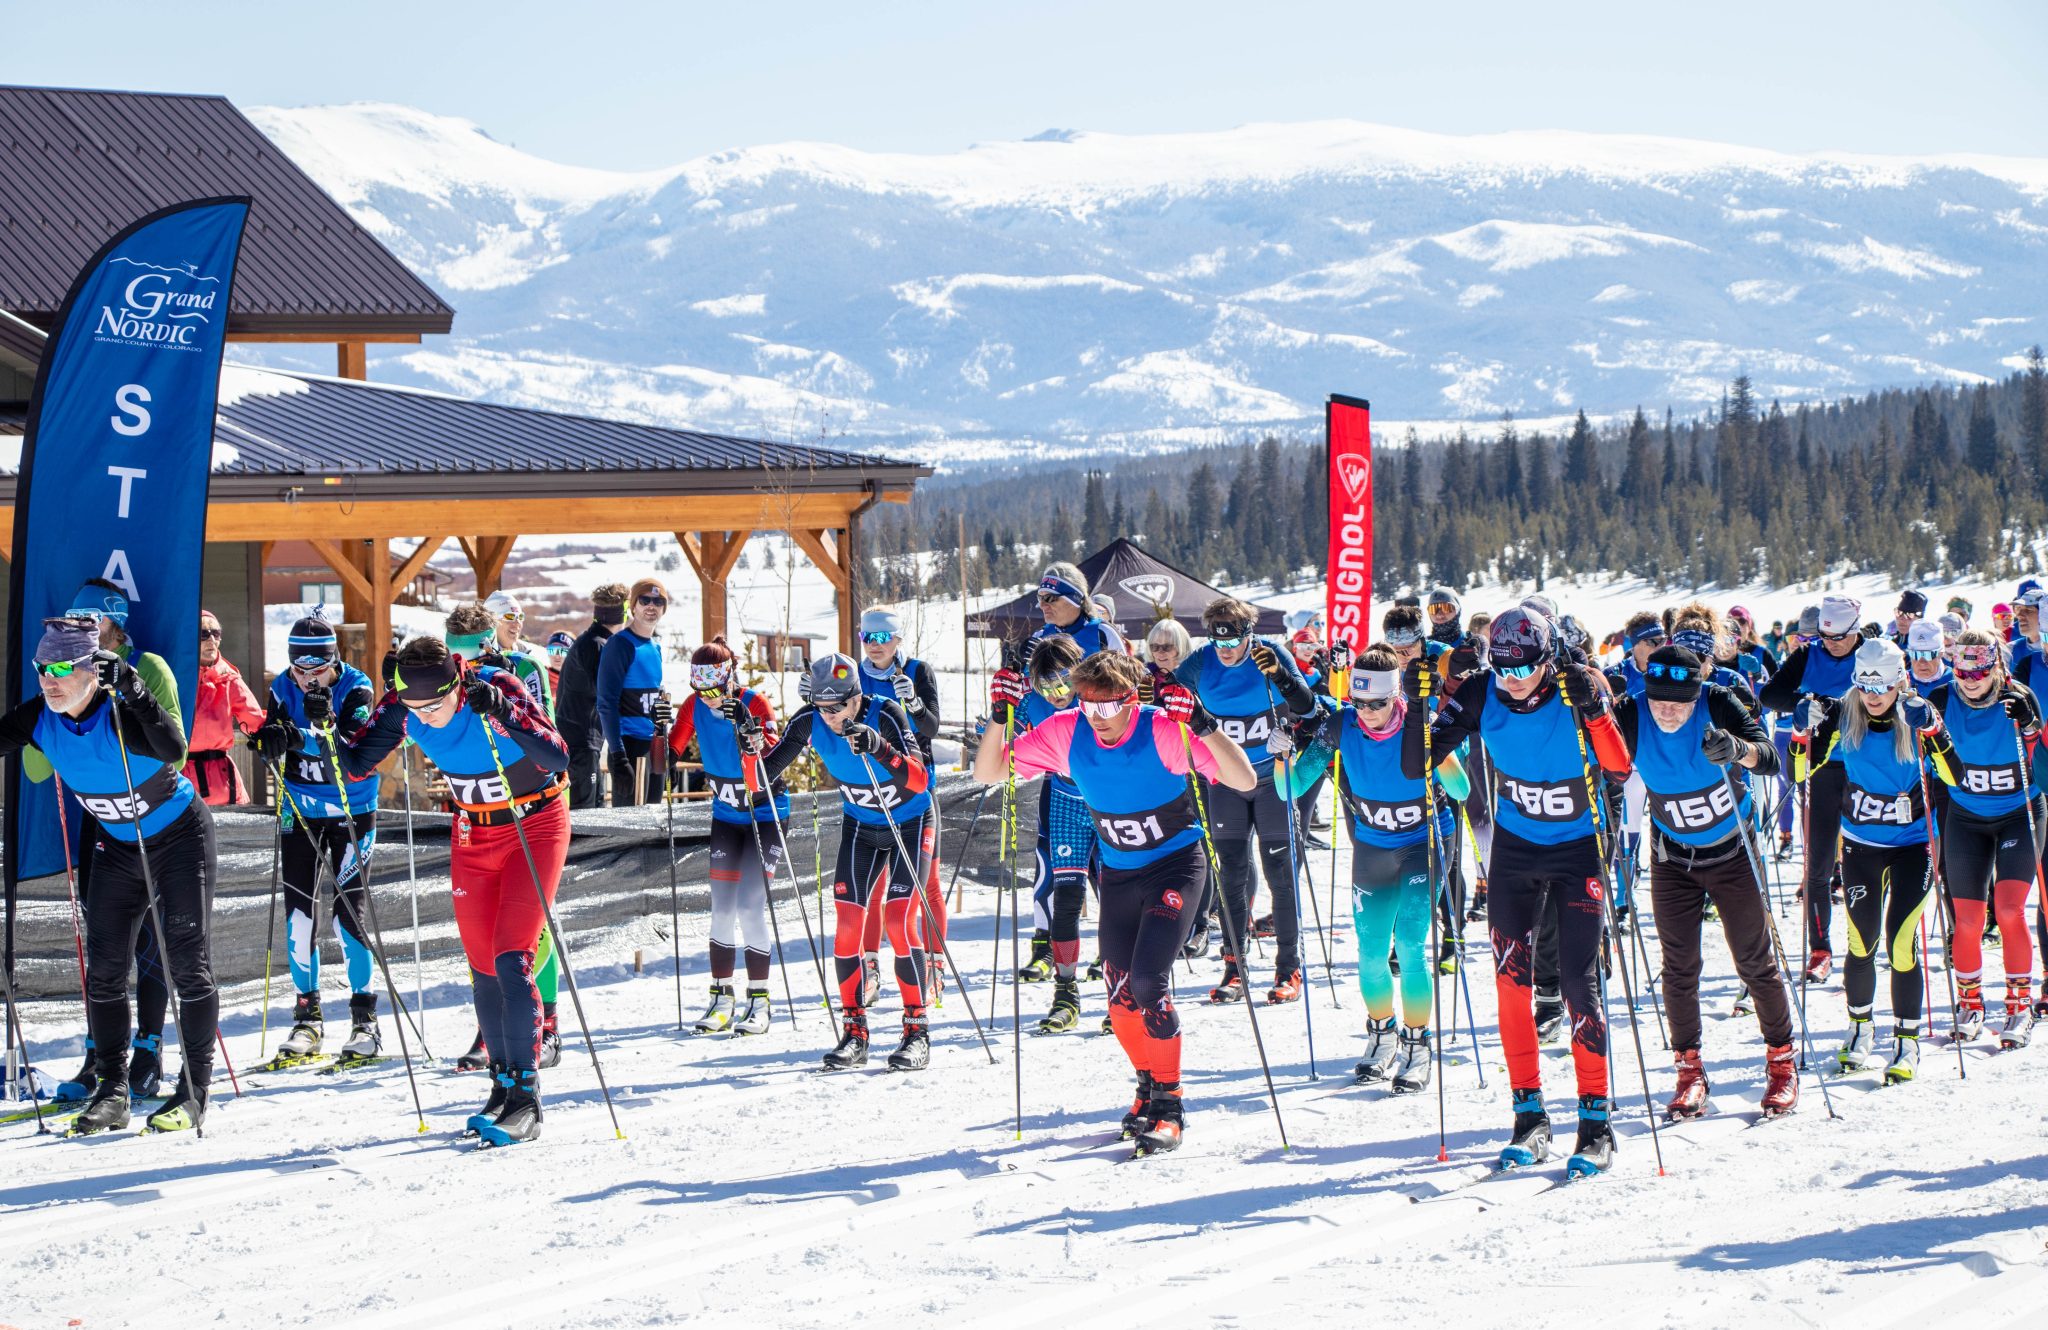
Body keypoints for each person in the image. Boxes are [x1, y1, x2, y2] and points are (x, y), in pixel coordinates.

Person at [974, 649, 1257, 1153]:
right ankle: (1147, 1088)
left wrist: (1203, 722)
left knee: (1150, 982)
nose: (1098, 720)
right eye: (1088, 707)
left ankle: (1170, 1104)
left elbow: (1243, 779)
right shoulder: (1067, 730)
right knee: (1120, 995)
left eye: (1108, 708)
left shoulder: (1161, 730)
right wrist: (1001, 716)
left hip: (1175, 866)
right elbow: (988, 771)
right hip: (1122, 876)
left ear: (1131, 700)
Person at [322, 634, 570, 1144]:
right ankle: (501, 1088)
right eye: (416, 708)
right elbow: (355, 763)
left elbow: (557, 754)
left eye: (436, 705)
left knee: (510, 957)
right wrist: (327, 722)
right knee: (481, 966)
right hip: (474, 833)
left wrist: (502, 709)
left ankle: (527, 1098)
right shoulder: (402, 707)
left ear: (457, 684)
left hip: (534, 824)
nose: (427, 717)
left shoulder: (491, 684)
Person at [1418, 606, 1632, 1174]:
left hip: (1577, 848)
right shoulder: (1483, 691)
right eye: (1503, 669)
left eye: (1524, 670)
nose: (1512, 682)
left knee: (1577, 982)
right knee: (1510, 982)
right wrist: (1432, 703)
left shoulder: (1575, 684)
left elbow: (1618, 768)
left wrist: (1595, 709)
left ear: (1546, 657)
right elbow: (1414, 762)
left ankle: (1596, 1120)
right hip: (1513, 852)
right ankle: (1529, 1115)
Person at [1, 618, 216, 1134]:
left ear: (90, 672)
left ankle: (193, 1091)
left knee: (187, 963)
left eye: (59, 669)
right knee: (103, 968)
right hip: (119, 845)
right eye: (40, 669)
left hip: (179, 838)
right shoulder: (40, 718)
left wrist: (136, 689)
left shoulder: (118, 713)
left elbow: (171, 749)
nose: (48, 680)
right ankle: (112, 1089)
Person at [1608, 644, 1797, 1119]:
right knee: (1678, 967)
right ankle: (1689, 1070)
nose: (1668, 711)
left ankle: (1781, 1062)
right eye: (1660, 701)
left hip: (1733, 850)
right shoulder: (1632, 711)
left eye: (1679, 702)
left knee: (1754, 961)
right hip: (1673, 857)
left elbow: (1771, 757)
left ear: (1696, 695)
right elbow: (1595, 755)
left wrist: (1739, 751)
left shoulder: (1719, 702)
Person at [751, 654, 936, 1071]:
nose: (830, 717)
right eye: (822, 707)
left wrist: (877, 745)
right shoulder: (809, 721)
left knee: (897, 920)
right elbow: (761, 782)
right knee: (848, 926)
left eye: (837, 708)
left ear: (856, 699)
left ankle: (916, 1031)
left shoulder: (885, 712)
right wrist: (749, 749)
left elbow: (919, 778)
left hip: (910, 821)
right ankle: (856, 1033)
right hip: (863, 826)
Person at [1300, 645, 1464, 1089]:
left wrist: (1437, 749)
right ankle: (1382, 1035)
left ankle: (1417, 1044)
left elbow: (1463, 789)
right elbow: (1289, 787)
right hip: (1372, 845)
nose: (1368, 713)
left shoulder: (1419, 724)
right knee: (1371, 951)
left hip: (1423, 842)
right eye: (1360, 703)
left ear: (1396, 697)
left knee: (1410, 945)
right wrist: (1281, 752)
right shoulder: (1341, 725)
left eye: (1378, 703)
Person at [50, 579, 185, 1103]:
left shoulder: (148, 667)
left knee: (149, 934)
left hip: (149, 817)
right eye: (73, 620)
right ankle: (101, 1057)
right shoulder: (66, 667)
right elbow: (41, 761)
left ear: (112, 623)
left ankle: (148, 1052)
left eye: (87, 622)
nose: (78, 630)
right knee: (104, 943)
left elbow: (175, 748)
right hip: (98, 817)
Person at [1795, 639, 1942, 1084]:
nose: (1874, 695)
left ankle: (1906, 1040)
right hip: (1860, 845)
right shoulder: (1843, 716)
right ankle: (1860, 1028)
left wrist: (1934, 730)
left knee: (1901, 943)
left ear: (1901, 681)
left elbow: (1952, 774)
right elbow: (1802, 773)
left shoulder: (1917, 717)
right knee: (1862, 941)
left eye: (1883, 685)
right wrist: (1803, 733)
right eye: (1864, 684)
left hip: (1914, 846)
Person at [1163, 597, 1319, 1003]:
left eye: (1234, 641)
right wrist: (1157, 690)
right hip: (1225, 781)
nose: (1226, 650)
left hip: (1272, 779)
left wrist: (1283, 679)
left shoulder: (1270, 654)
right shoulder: (1201, 662)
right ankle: (1235, 966)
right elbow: (1166, 699)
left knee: (1279, 872)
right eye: (1218, 641)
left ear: (1250, 635)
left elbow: (1309, 707)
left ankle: (1289, 968)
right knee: (1230, 873)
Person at [248, 617, 385, 1066]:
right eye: (299, 662)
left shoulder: (356, 688)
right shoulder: (283, 688)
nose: (308, 673)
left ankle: (365, 1019)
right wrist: (270, 740)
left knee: (348, 917)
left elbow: (351, 751)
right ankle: (308, 1018)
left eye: (319, 662)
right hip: (300, 810)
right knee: (299, 919)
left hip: (350, 812)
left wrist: (307, 731)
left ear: (334, 657)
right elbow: (275, 732)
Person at [1919, 629, 2041, 1047]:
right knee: (1968, 919)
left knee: (2008, 911)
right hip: (1967, 817)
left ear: (1997, 667)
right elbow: (1921, 754)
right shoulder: (1940, 699)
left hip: (2018, 814)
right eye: (1963, 670)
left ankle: (2019, 1005)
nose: (1971, 679)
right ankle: (1970, 1003)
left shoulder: (2017, 696)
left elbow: (2040, 762)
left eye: (1981, 670)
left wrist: (2028, 725)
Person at [663, 637, 788, 1034]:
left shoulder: (755, 702)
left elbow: (769, 760)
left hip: (764, 816)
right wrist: (656, 732)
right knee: (720, 909)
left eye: (716, 690)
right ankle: (721, 997)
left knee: (750, 906)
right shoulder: (695, 704)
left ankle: (760, 1000)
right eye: (702, 692)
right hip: (726, 817)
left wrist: (746, 727)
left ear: (730, 678)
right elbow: (667, 756)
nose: (710, 699)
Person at [991, 636, 1099, 1030]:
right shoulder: (1032, 703)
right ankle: (1066, 993)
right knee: (1066, 898)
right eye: (1045, 686)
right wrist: (1001, 708)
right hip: (1066, 799)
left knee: (1119, 895)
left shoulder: (1096, 692)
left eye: (1063, 682)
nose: (1056, 694)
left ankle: (1124, 992)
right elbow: (1007, 748)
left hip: (1109, 800)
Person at [1760, 594, 1866, 982]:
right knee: (1818, 864)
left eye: (1839, 637)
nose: (1831, 643)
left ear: (1855, 631)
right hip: (1820, 767)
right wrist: (1804, 702)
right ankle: (1820, 949)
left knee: (1862, 862)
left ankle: (1864, 941)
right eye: (1825, 636)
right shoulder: (1809, 655)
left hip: (1865, 769)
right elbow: (1769, 695)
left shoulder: (1872, 653)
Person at [855, 607, 947, 994]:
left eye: (882, 638)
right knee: (873, 886)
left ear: (897, 639)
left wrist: (915, 705)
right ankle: (870, 967)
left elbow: (931, 727)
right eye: (867, 638)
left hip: (915, 787)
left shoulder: (918, 671)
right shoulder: (853, 674)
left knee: (928, 883)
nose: (874, 646)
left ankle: (933, 965)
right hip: (870, 787)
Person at [597, 578, 669, 805]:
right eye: (645, 600)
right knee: (632, 834)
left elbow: (654, 701)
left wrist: (667, 751)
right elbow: (606, 703)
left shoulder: (655, 647)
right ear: (633, 606)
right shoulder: (620, 645)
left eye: (658, 602)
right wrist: (618, 756)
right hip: (629, 747)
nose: (651, 606)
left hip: (653, 747)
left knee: (655, 827)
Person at [185, 609, 266, 806]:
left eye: (216, 633)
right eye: (204, 634)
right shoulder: (177, 675)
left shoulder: (229, 678)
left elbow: (255, 721)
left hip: (221, 780)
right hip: (181, 774)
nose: (211, 639)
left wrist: (274, 733)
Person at [556, 583, 626, 809]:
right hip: (580, 740)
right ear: (622, 614)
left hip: (585, 739)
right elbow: (609, 692)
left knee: (595, 805)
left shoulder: (593, 641)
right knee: (585, 810)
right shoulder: (596, 645)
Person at [450, 601, 551, 713]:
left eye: (475, 663)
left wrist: (511, 681)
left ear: (489, 649)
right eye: (458, 665)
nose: (469, 673)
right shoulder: (445, 677)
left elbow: (544, 724)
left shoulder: (526, 665)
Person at [1030, 562, 1126, 660]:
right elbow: (1028, 675)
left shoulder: (1102, 633)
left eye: (1049, 598)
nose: (1042, 605)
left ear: (1074, 599)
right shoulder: (1040, 636)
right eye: (1040, 597)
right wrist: (1017, 669)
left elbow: (1126, 674)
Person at [544, 631, 573, 703]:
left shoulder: (578, 682)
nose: (557, 656)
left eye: (562, 651)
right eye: (552, 650)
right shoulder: (540, 677)